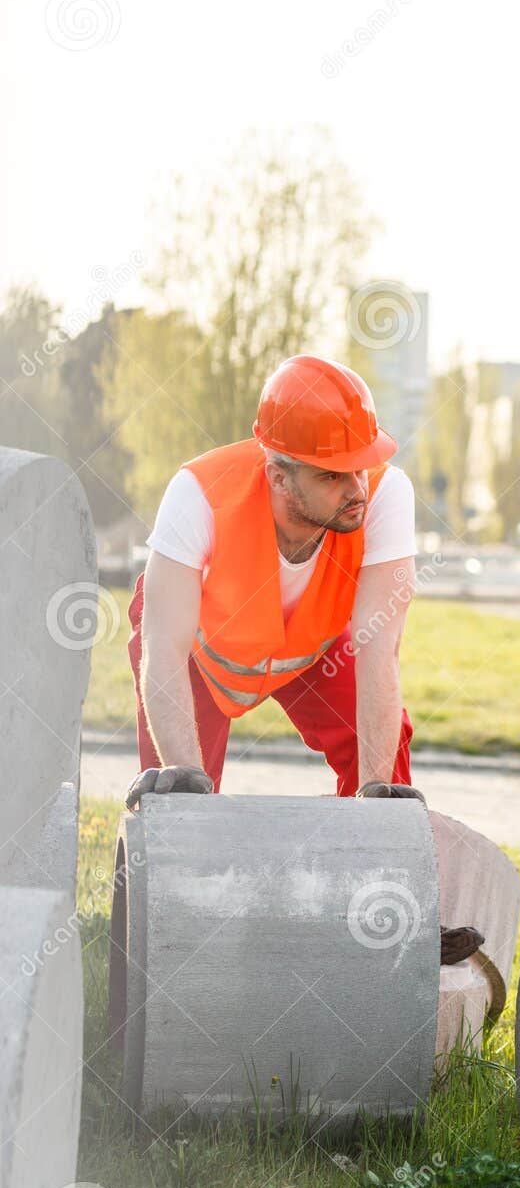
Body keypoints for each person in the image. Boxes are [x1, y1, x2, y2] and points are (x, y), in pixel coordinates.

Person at [126, 352, 480, 965]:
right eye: (333, 476)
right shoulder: (198, 493)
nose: (357, 488)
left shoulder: (386, 493)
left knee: (384, 755)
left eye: (362, 468)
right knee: (177, 807)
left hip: (314, 651)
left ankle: (384, 902)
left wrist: (377, 799)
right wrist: (183, 775)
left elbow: (377, 656)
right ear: (278, 473)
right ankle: (166, 937)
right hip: (197, 658)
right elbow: (162, 651)